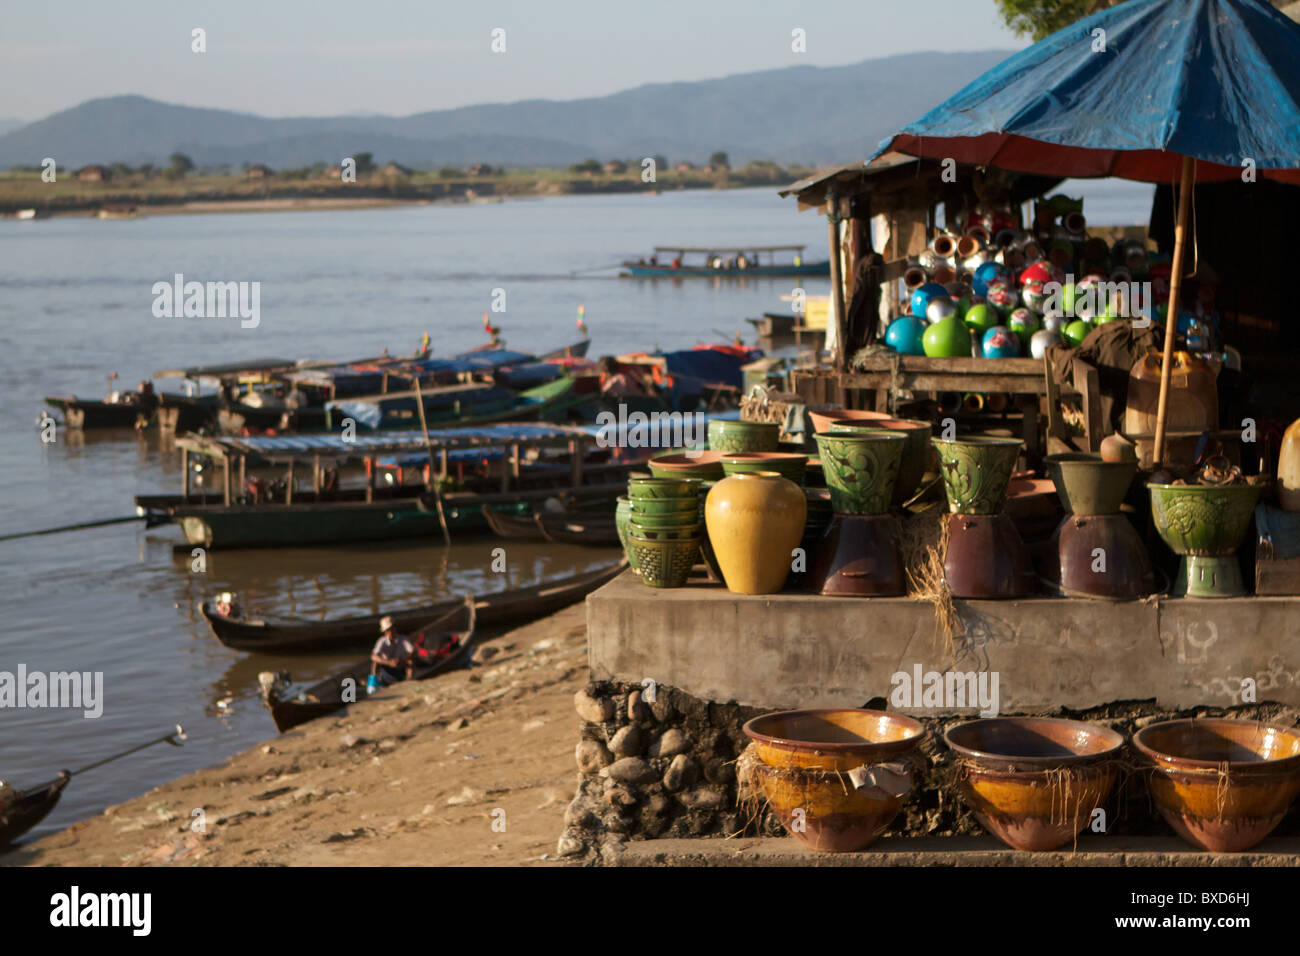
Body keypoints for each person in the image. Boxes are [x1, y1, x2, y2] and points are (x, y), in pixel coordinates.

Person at [371, 616, 416, 686]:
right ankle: (375, 682)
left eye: (392, 628)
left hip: (401, 665)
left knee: (410, 662)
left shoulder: (403, 639)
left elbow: (414, 651)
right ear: (385, 632)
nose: (391, 632)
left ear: (395, 628)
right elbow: (373, 656)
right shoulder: (382, 641)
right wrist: (388, 662)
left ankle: (409, 681)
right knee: (375, 663)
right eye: (388, 630)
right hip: (387, 667)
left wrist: (403, 660)